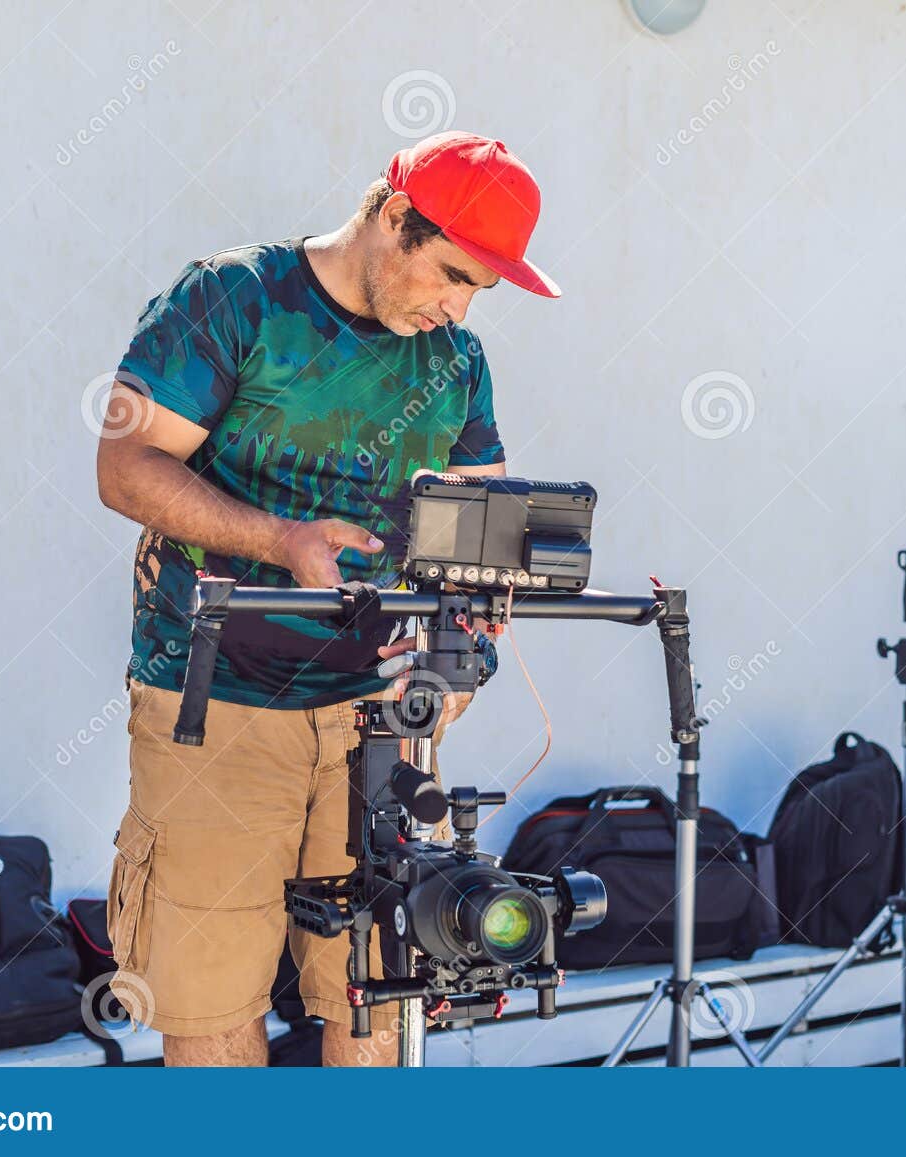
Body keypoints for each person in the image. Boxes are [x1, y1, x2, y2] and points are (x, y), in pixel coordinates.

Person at [93, 130, 559, 1066]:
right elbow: (124, 468)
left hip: (378, 721)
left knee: (381, 997)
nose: (458, 306)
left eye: (479, 291)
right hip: (217, 699)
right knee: (215, 998)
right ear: (394, 217)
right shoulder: (234, 298)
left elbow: (479, 541)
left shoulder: (456, 362)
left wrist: (466, 650)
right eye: (451, 275)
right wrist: (279, 540)